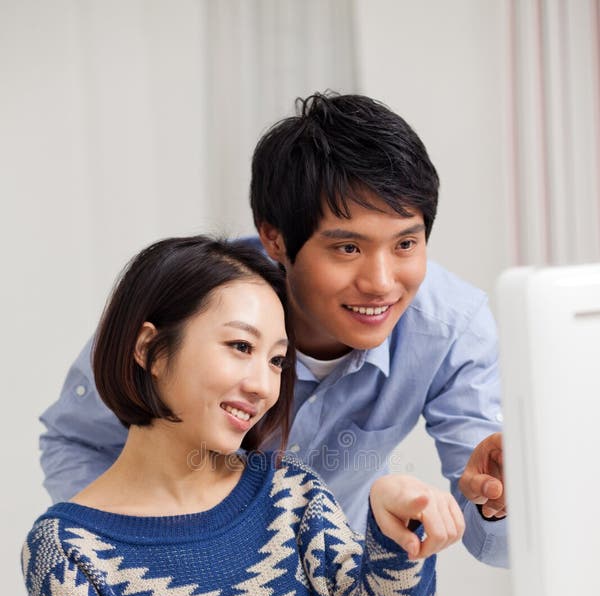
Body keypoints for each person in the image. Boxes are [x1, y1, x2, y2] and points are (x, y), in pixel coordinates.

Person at [22, 236, 464, 596]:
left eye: (277, 360)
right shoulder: (67, 546)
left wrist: (395, 546)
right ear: (150, 349)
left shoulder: (293, 495)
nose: (263, 385)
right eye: (240, 347)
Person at [38, 92, 507, 566]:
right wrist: (151, 566)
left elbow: (497, 542)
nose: (381, 283)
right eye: (348, 249)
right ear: (275, 238)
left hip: (334, 585)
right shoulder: (191, 300)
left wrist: (499, 499)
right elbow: (79, 442)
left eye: (405, 244)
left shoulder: (451, 328)